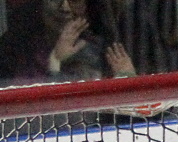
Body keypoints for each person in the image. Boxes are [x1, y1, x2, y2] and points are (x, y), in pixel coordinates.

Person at [0, 0, 135, 84]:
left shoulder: (107, 46)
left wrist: (127, 77)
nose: (65, 8)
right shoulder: (23, 46)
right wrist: (56, 59)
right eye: (55, 0)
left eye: (74, 1)